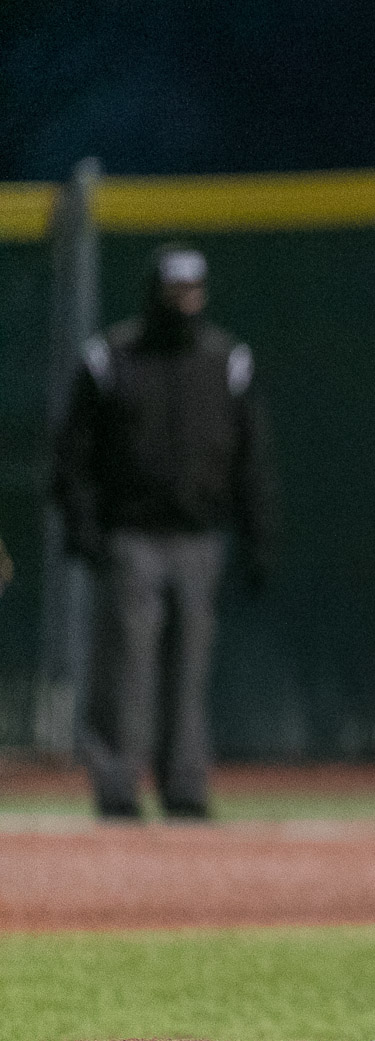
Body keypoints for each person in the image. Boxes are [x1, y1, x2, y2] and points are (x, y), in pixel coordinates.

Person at [53, 244, 274, 821]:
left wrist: (257, 535)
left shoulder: (226, 360)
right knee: (126, 668)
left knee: (190, 669)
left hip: (200, 536)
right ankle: (118, 787)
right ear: (155, 291)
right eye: (175, 290)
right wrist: (85, 529)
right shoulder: (111, 358)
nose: (184, 301)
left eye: (193, 290)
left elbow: (251, 458)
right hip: (131, 536)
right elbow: (72, 455)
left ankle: (186, 788)